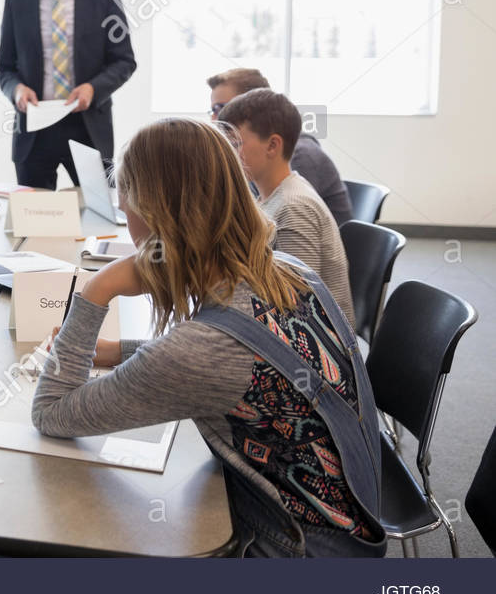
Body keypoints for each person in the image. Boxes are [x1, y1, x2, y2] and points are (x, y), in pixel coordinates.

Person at [32, 118, 385, 557]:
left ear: (157, 216)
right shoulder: (293, 272)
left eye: (127, 214)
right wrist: (122, 352)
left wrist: (96, 290)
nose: (130, 232)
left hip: (294, 549)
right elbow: (248, 359)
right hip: (353, 518)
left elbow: (51, 413)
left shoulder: (198, 352)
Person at [0, 0, 136, 188]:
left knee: (98, 216)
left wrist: (93, 89)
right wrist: (17, 90)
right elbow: (4, 68)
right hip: (34, 129)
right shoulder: (16, 2)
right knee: (34, 219)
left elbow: (124, 61)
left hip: (87, 126)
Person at [217, 88, 355, 325]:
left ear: (272, 146)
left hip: (318, 351)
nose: (228, 154)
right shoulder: (267, 198)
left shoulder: (294, 207)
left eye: (236, 144)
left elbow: (299, 307)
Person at [207, 67, 352, 225]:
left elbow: (288, 221)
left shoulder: (301, 158)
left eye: (221, 108)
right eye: (213, 110)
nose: (216, 119)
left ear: (253, 101)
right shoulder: (256, 159)